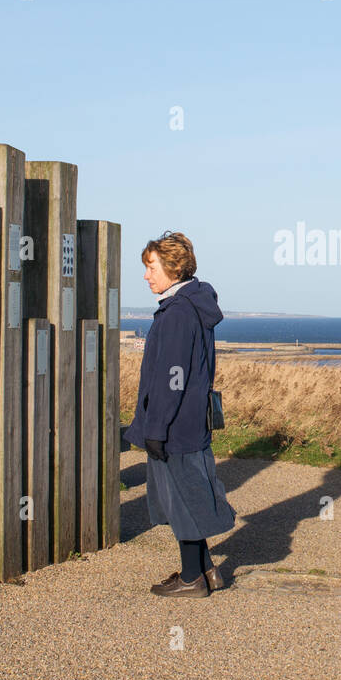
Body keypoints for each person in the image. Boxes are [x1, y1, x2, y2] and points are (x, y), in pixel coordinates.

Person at [121, 231, 236, 597]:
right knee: (190, 495)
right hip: (191, 422)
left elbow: (172, 379)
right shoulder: (193, 306)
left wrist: (155, 427)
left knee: (182, 499)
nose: (146, 275)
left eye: (151, 267)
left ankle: (191, 581)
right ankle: (205, 570)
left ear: (173, 267)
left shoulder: (176, 314)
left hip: (174, 427)